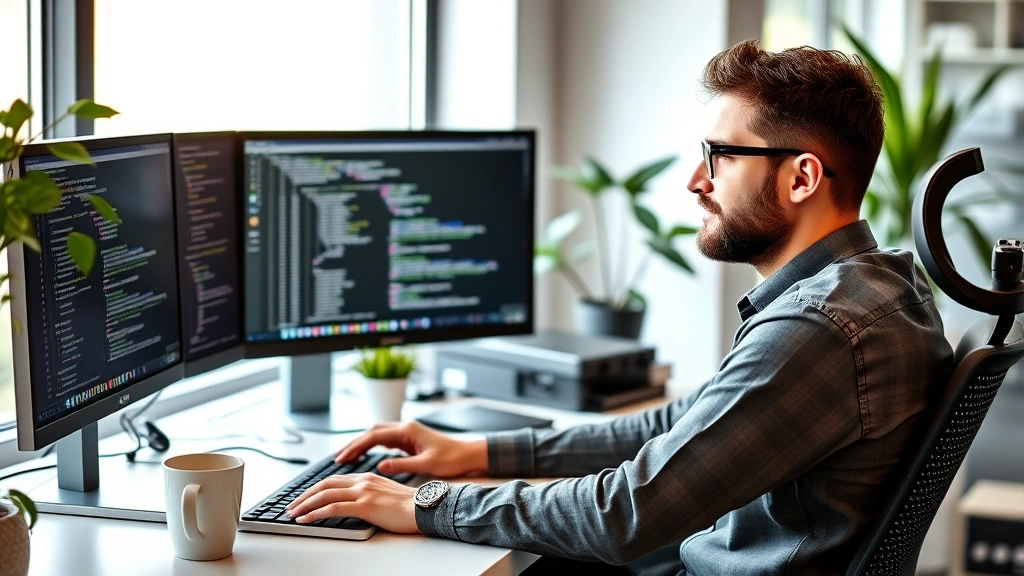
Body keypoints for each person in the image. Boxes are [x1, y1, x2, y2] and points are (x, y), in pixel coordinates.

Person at [285, 40, 954, 575]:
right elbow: (687, 420)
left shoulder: (822, 328)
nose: (697, 181)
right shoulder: (884, 286)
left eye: (718, 156)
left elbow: (627, 513)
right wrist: (479, 452)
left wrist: (426, 502)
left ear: (802, 176)